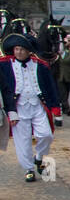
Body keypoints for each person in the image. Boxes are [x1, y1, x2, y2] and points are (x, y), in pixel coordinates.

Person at [1, 33, 59, 182]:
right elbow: (5, 90)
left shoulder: (40, 66)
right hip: (18, 109)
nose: (19, 52)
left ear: (29, 51)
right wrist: (10, 111)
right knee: (23, 141)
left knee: (46, 135)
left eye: (22, 49)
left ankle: (39, 158)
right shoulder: (4, 65)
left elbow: (51, 87)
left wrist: (55, 107)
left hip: (37, 106)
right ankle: (29, 169)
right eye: (16, 49)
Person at [56, 36, 70, 115]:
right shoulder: (56, 55)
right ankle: (67, 109)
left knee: (67, 92)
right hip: (59, 76)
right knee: (63, 92)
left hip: (68, 75)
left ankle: (63, 106)